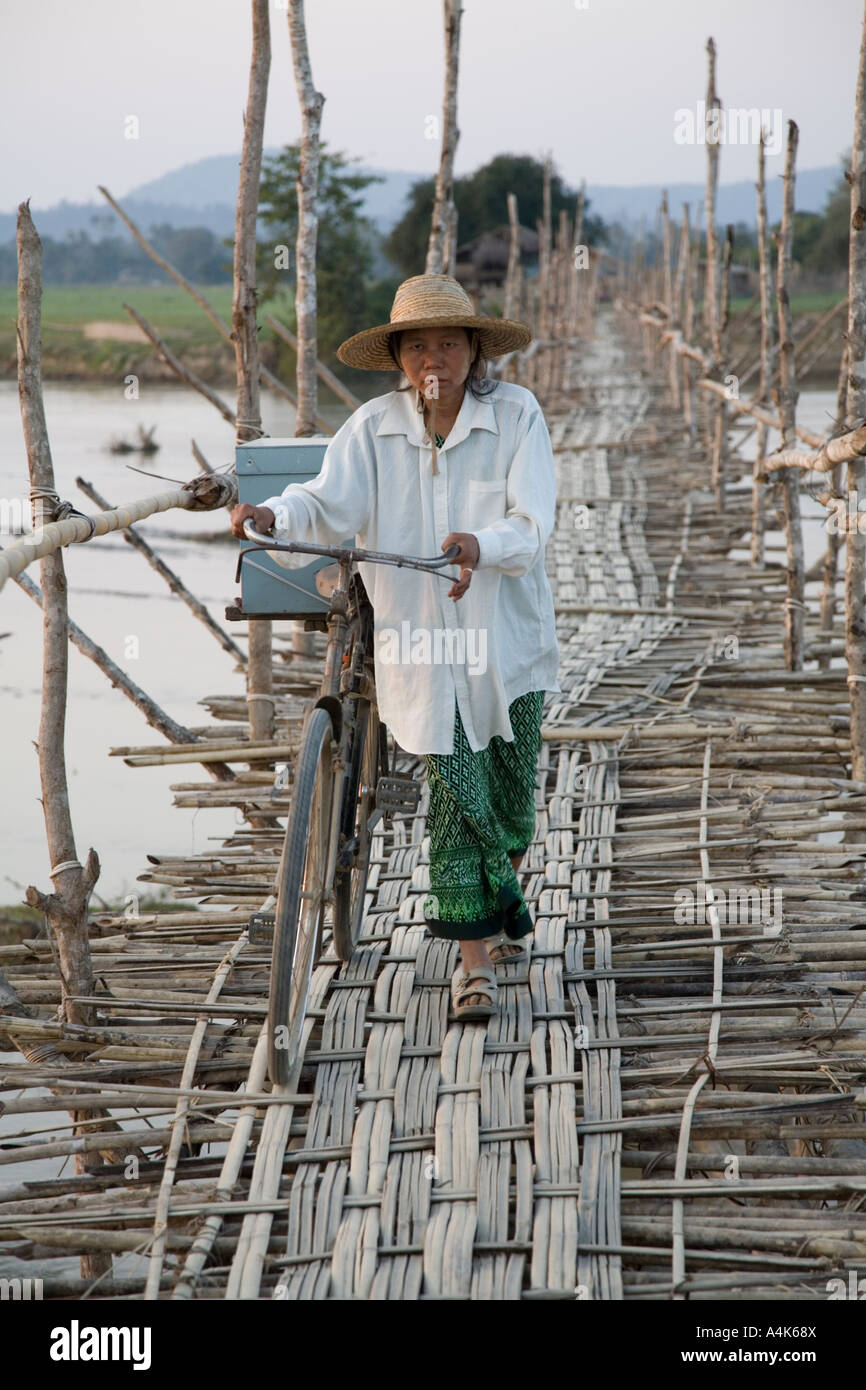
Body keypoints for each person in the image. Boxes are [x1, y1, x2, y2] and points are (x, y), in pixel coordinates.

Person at [230, 273, 561, 1020]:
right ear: (399, 359)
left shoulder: (516, 416)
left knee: (510, 809)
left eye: (447, 342)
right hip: (420, 647)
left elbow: (534, 520)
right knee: (455, 798)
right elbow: (322, 501)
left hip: (504, 646)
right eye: (417, 347)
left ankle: (501, 889)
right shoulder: (373, 429)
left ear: (475, 351)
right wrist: (273, 518)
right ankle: (472, 965)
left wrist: (484, 543)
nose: (432, 358)